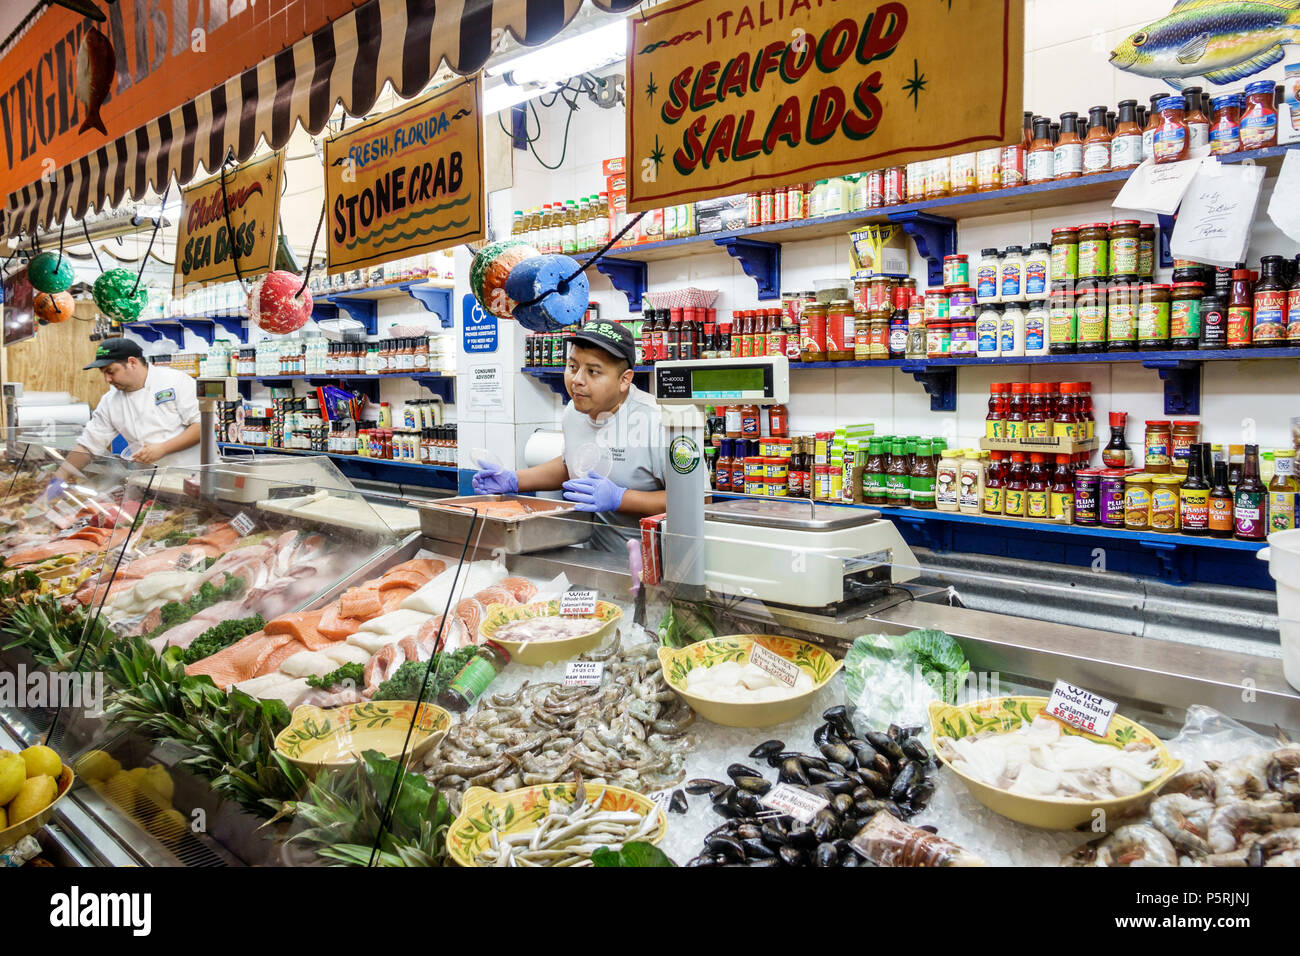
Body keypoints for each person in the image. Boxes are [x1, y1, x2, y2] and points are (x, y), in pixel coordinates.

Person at [473, 320, 704, 551]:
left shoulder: (661, 421)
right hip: (597, 557)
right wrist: (514, 480)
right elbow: (570, 464)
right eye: (573, 367)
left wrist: (621, 498)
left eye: (593, 371)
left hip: (659, 564)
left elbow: (699, 500)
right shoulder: (574, 411)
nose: (577, 380)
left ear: (624, 380)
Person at [47, 338, 201, 495]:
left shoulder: (176, 381)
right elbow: (87, 445)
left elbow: (202, 427)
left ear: (132, 363)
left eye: (111, 372)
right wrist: (59, 478)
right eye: (103, 373)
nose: (107, 379)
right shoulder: (110, 400)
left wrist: (162, 448)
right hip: (149, 483)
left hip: (191, 479)